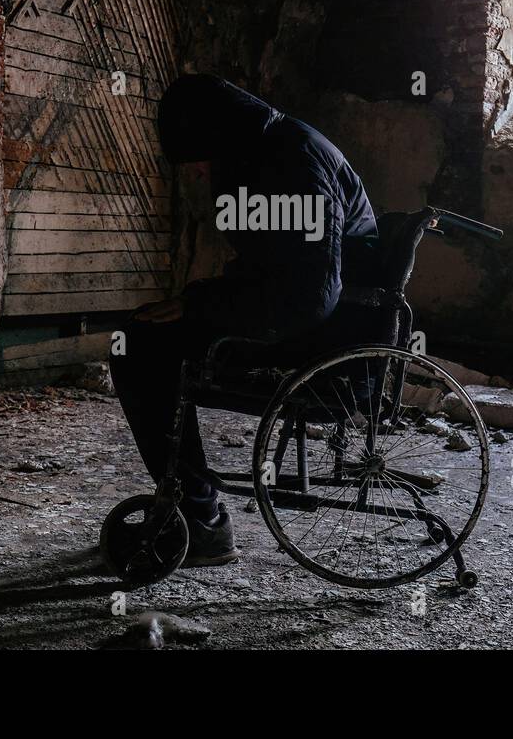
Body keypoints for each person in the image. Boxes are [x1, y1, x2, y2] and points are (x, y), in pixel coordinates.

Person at [108, 74, 377, 566]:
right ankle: (198, 513)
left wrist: (203, 305)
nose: (194, 175)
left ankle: (201, 519)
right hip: (313, 322)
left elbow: (310, 293)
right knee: (143, 338)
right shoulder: (269, 149)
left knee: (142, 347)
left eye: (195, 162)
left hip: (321, 337)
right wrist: (201, 300)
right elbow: (272, 269)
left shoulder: (292, 161)